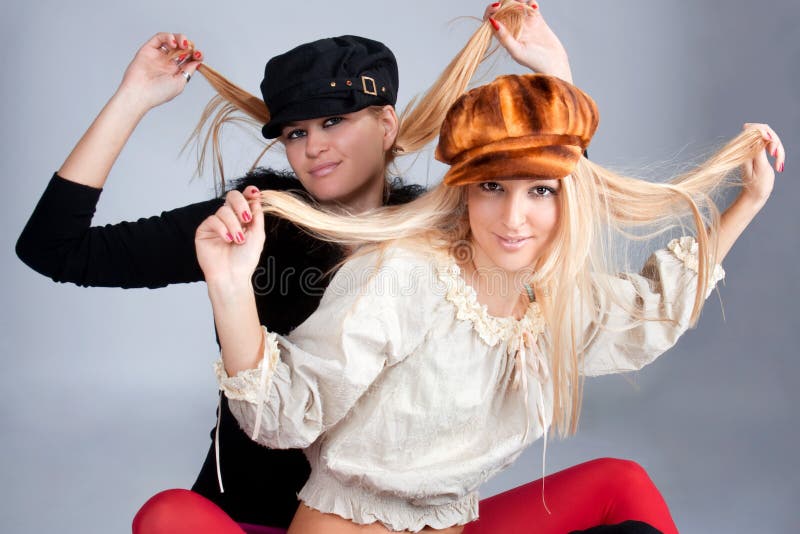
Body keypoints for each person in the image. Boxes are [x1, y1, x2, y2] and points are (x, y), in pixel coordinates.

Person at [22, 2, 664, 532]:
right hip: (259, 520)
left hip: (413, 521)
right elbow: (53, 248)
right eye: (295, 132)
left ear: (387, 124)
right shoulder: (249, 221)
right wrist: (133, 98)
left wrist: (553, 72)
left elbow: (544, 207)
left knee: (621, 485)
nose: (314, 147)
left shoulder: (446, 228)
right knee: (165, 517)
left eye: (334, 121)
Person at [192, 69, 784, 534]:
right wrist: (229, 284)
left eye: (540, 191)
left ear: (567, 198)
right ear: (466, 192)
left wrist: (746, 203)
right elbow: (283, 413)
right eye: (493, 187)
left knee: (620, 484)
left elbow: (643, 317)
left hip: (452, 528)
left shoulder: (549, 297)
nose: (513, 218)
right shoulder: (406, 274)